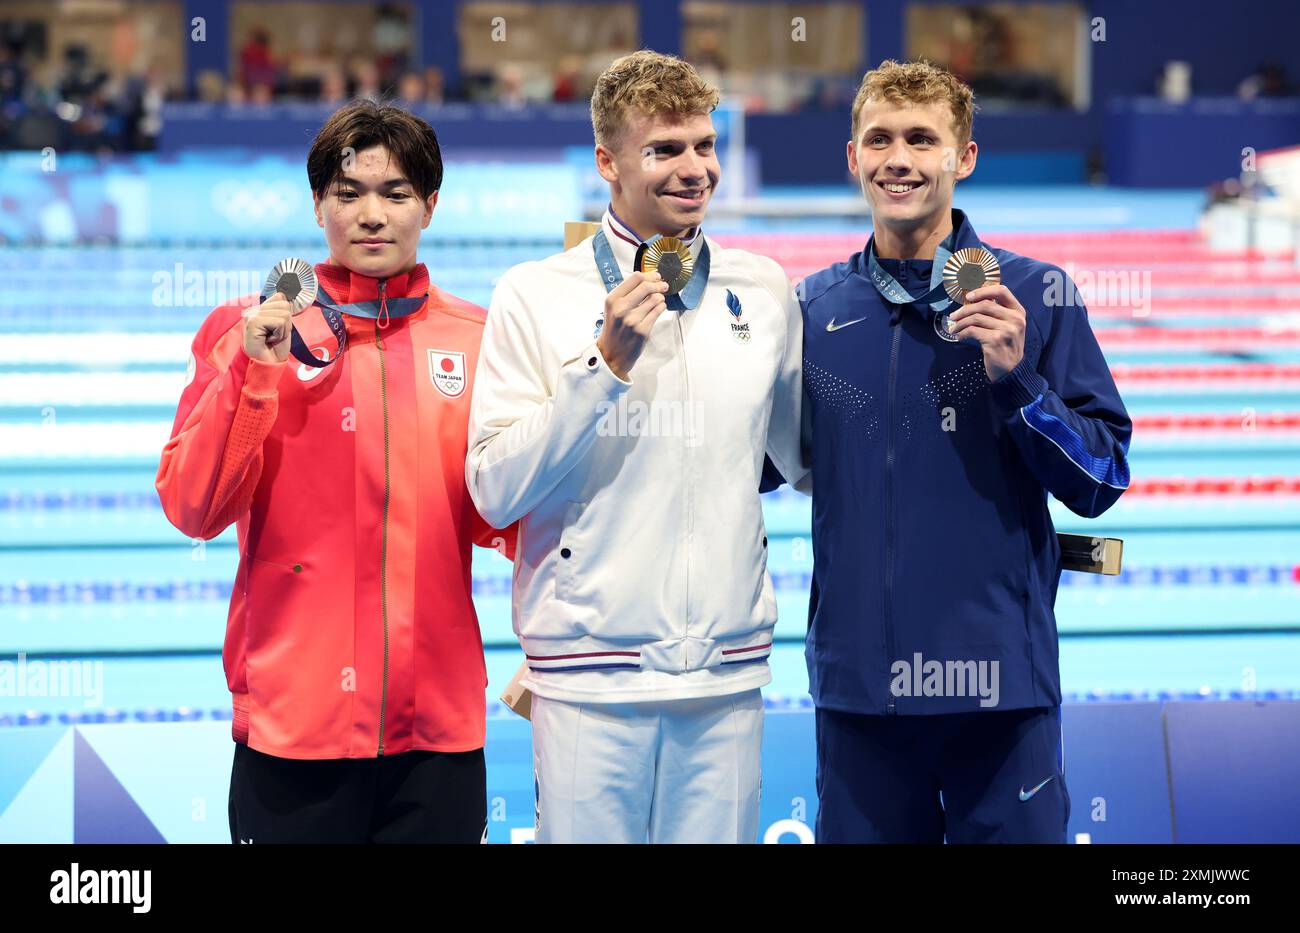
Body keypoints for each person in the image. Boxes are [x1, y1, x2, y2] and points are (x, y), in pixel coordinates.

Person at [466, 50, 808, 844]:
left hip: (726, 677)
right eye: (665, 150)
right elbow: (492, 486)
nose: (695, 170)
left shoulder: (762, 289)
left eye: (705, 145)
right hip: (589, 682)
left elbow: (803, 459)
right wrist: (602, 366)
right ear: (608, 163)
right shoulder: (534, 293)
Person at [156, 100, 511, 843]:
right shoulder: (247, 332)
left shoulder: (478, 341)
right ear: (319, 205)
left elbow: (508, 522)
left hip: (437, 736)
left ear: (431, 206)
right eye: (349, 194)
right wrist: (255, 373)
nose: (372, 214)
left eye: (397, 193)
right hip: (294, 731)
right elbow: (194, 507)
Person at [795, 60, 1131, 843]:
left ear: (964, 157)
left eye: (923, 138)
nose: (899, 159)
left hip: (1001, 696)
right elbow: (763, 466)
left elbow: (1101, 478)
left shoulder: (1036, 295)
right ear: (853, 158)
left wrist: (1018, 384)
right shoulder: (813, 309)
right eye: (879, 139)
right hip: (858, 697)